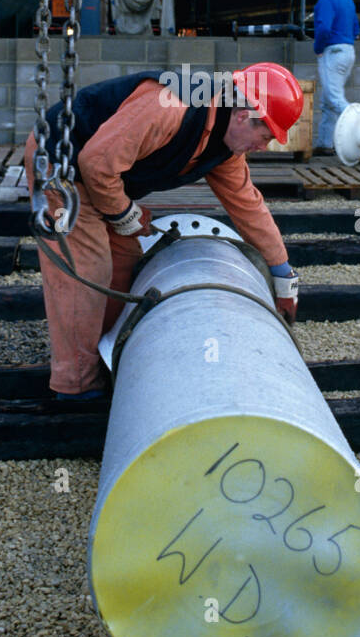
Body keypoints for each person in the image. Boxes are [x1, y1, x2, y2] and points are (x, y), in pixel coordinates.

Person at [24, 63, 304, 400]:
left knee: (125, 262)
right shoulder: (171, 105)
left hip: (106, 178)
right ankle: (76, 387)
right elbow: (96, 163)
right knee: (89, 269)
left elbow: (248, 206)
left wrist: (282, 274)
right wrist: (126, 214)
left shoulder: (223, 143)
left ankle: (105, 355)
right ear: (245, 115)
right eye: (266, 137)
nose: (264, 147)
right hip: (64, 165)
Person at [313, 0, 358, 155]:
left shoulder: (325, 0)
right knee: (328, 101)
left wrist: (318, 47)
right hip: (348, 51)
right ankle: (325, 144)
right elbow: (355, 28)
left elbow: (323, 28)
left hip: (332, 52)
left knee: (334, 98)